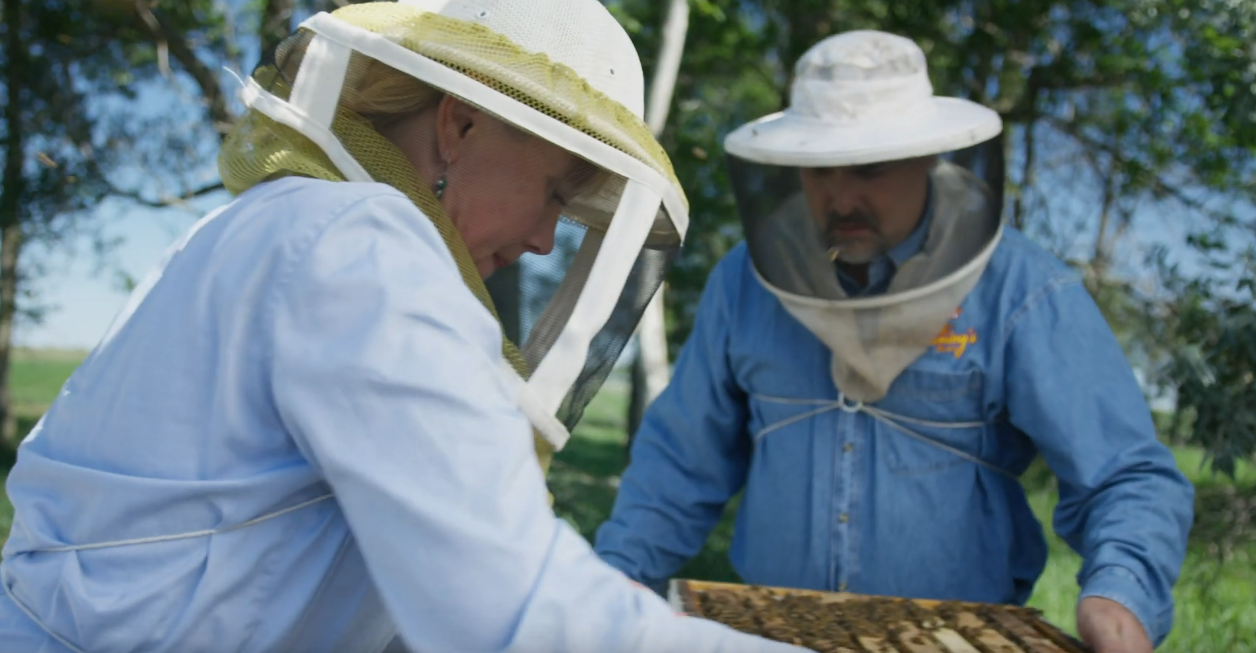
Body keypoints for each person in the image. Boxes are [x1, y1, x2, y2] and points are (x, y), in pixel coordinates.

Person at [0, 1, 813, 652]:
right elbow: (506, 612)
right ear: (459, 125)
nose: (544, 240)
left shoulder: (282, 223)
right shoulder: (361, 245)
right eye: (557, 194)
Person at [594, 30, 1194, 653]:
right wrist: (620, 571)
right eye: (819, 172)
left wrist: (1119, 595)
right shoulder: (744, 284)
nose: (841, 199)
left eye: (869, 170)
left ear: (926, 158)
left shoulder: (1022, 291)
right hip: (775, 639)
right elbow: (681, 459)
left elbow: (1125, 474)